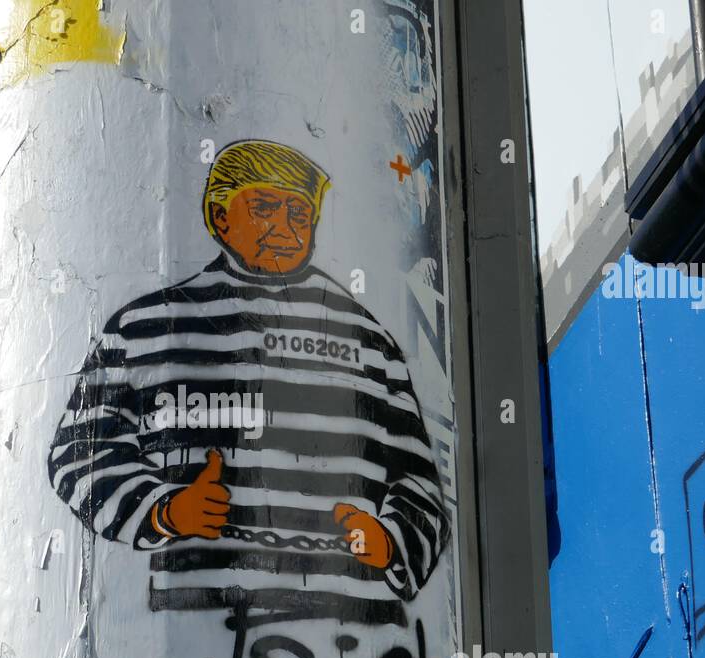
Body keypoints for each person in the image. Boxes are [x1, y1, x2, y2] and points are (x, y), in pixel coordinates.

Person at [48, 139, 448, 625]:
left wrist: (388, 542)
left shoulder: (366, 341)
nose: (285, 228)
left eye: (300, 215)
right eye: (264, 208)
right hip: (190, 623)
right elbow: (77, 452)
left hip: (351, 638)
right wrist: (164, 512)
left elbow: (419, 483)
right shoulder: (144, 328)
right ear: (219, 217)